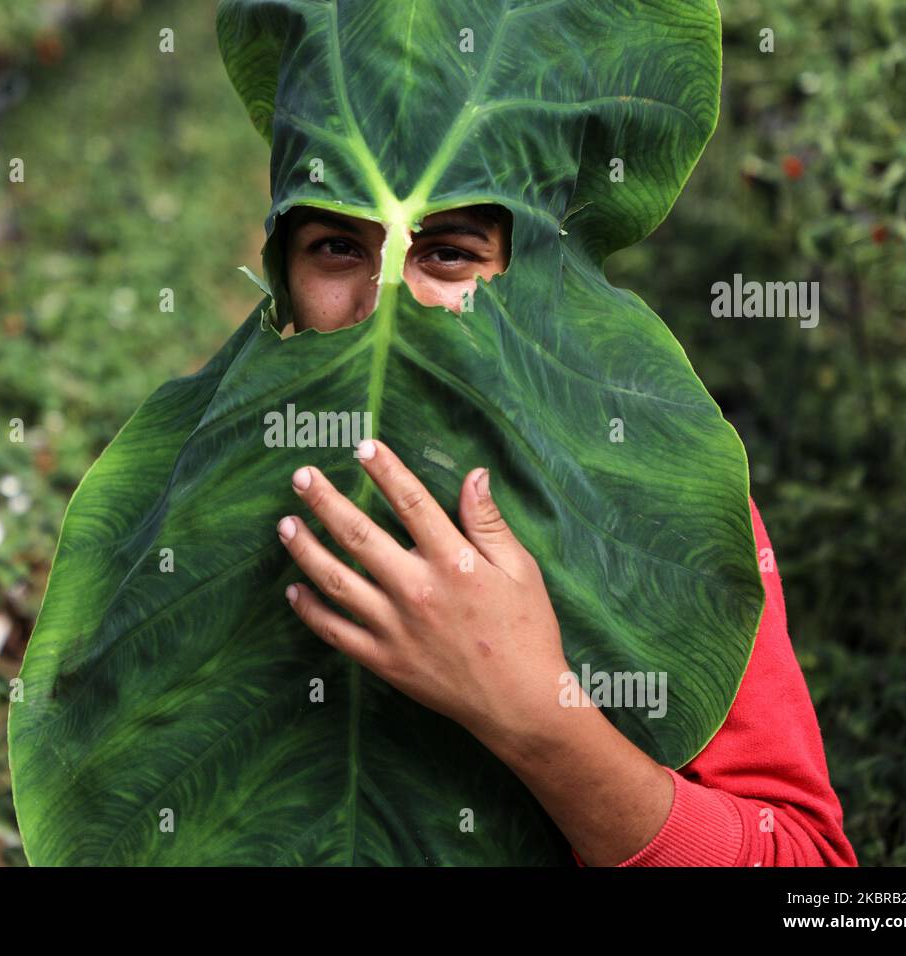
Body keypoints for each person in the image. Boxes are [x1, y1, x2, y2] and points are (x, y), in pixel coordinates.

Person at [271, 201, 858, 867]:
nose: (383, 308)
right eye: (338, 248)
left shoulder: (651, 505)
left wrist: (537, 718)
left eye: (447, 254)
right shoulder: (202, 505)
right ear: (281, 272)